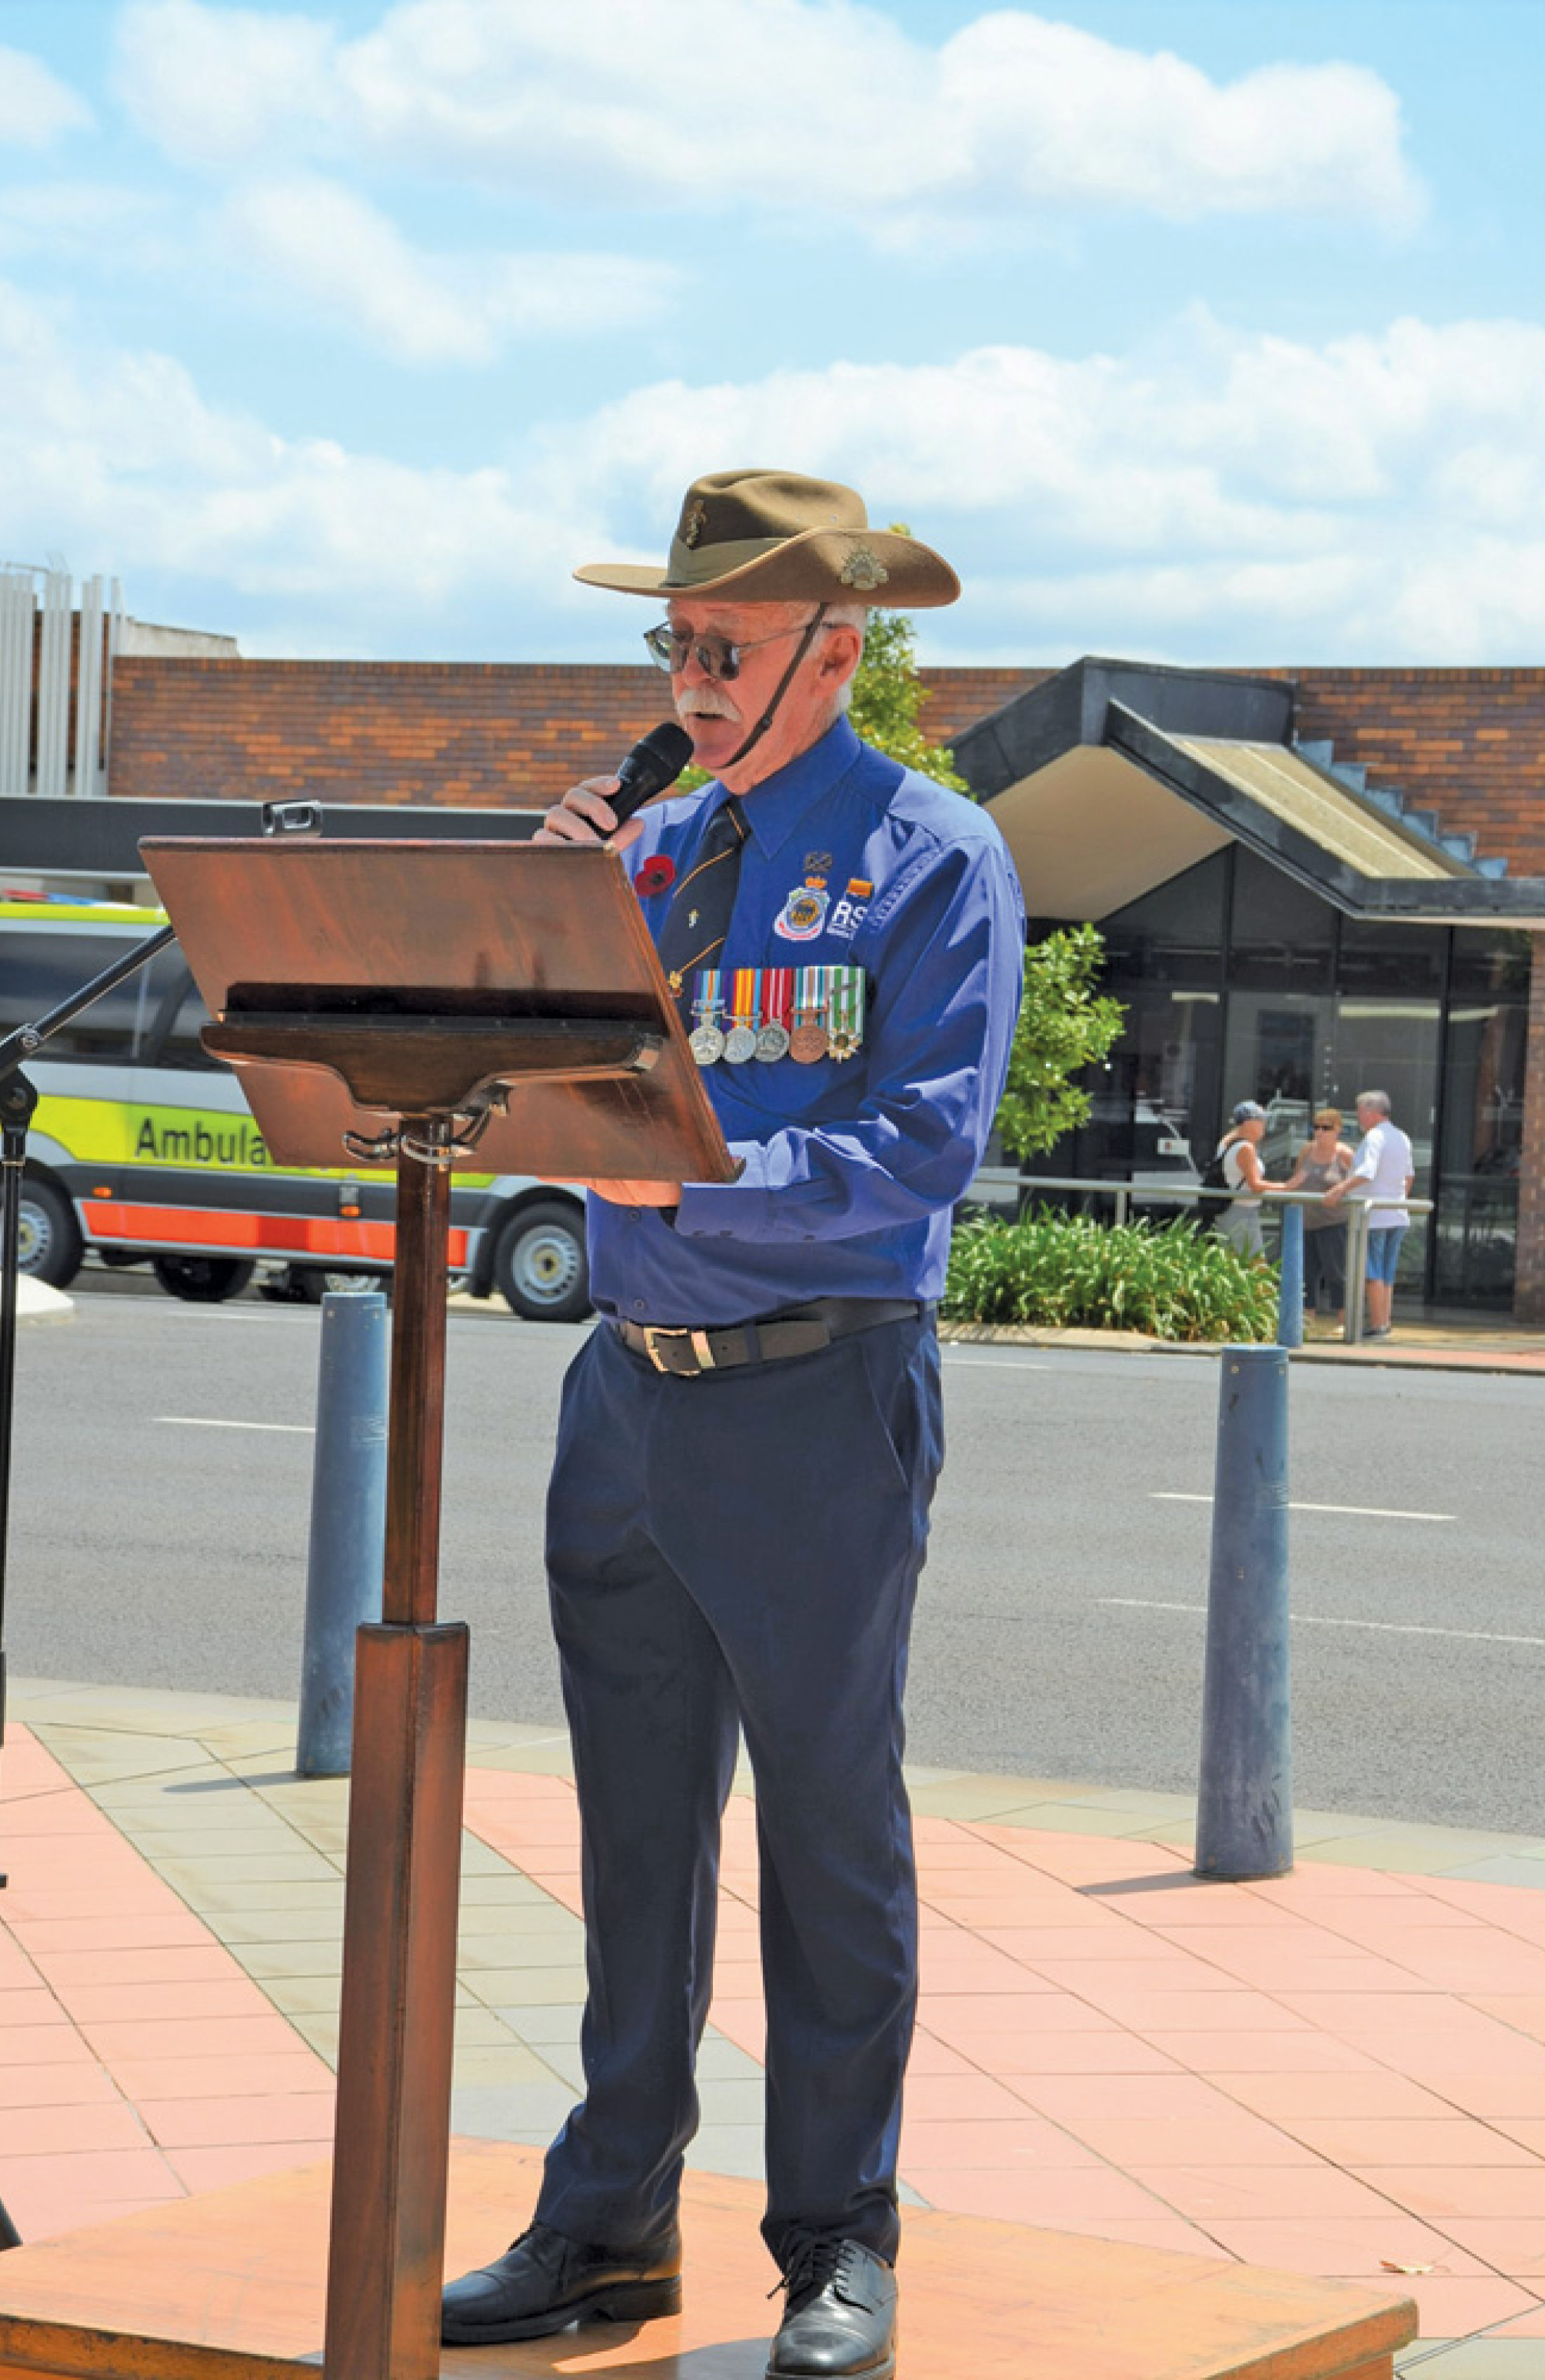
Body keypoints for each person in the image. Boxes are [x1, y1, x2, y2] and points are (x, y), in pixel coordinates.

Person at [441, 469, 1026, 2379]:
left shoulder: (932, 857)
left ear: (834, 653)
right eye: (668, 647)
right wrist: (540, 920)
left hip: (814, 1398)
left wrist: (692, 1176)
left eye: (723, 650)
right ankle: (607, 2217)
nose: (686, 684)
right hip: (623, 1399)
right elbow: (519, 1084)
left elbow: (918, 1149)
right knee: (627, 1840)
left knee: (827, 1837)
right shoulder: (652, 845)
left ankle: (834, 2237)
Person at [1320, 1089, 1414, 1338]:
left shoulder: (1374, 1137)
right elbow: (1409, 1176)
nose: (1359, 1117)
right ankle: (1384, 1324)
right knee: (1386, 1273)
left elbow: (1367, 1172)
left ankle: (1377, 1325)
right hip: (1396, 1213)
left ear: (1371, 1112)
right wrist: (1397, 1198)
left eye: (1360, 1111)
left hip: (1374, 1216)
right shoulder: (1401, 1137)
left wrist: (1339, 1189)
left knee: (1372, 1273)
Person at [1284, 1107, 1355, 1327]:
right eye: (1316, 1127)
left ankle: (1343, 1321)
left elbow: (1357, 1184)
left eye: (1326, 1128)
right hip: (1307, 1221)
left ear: (1338, 1130)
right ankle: (1306, 1320)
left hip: (1333, 1222)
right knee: (1306, 1272)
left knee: (1336, 1272)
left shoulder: (1344, 1154)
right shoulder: (1307, 1150)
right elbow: (1296, 1181)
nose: (1320, 1132)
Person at [1211, 1100, 1277, 1258]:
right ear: (1248, 1123)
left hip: (1228, 1210)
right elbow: (1255, 1184)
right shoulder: (1245, 1147)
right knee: (1257, 1265)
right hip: (1243, 1212)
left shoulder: (1228, 1141)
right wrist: (1289, 1186)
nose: (1264, 1124)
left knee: (1231, 1263)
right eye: (1261, 1120)